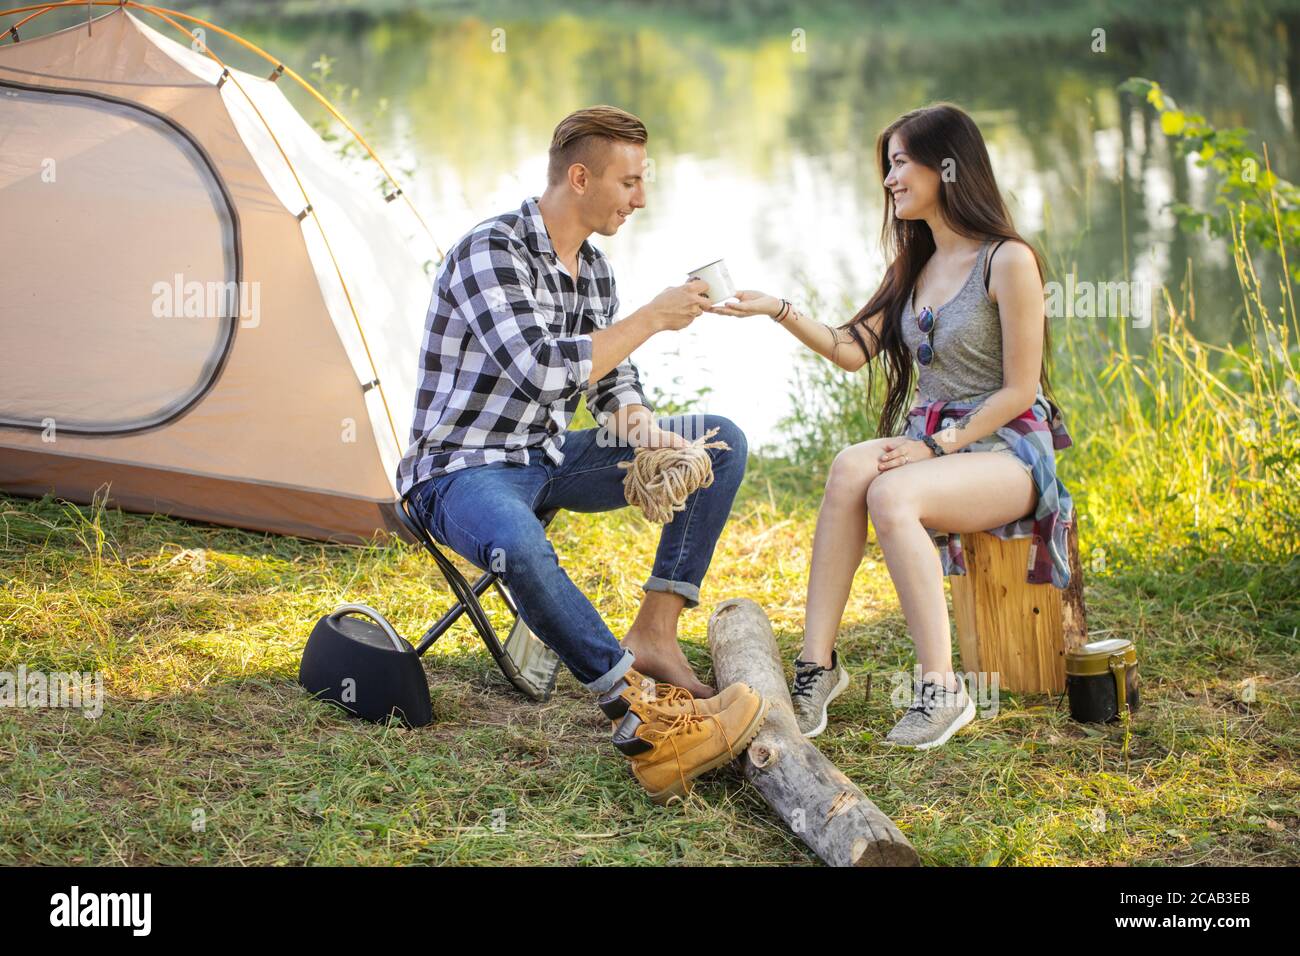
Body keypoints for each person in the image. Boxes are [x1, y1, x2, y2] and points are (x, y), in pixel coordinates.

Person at [395, 105, 767, 803]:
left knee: (720, 439)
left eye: (643, 180)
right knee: (520, 543)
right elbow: (540, 369)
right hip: (457, 471)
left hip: (542, 455)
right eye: (629, 182)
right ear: (579, 177)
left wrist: (648, 433)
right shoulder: (491, 253)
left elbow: (611, 387)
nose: (641, 198)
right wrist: (652, 318)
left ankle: (656, 633)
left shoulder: (593, 272)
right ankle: (640, 717)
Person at [713, 103, 1075, 750]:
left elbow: (1022, 389)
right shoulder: (913, 264)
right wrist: (777, 309)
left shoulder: (1008, 261)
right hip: (938, 448)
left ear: (947, 166)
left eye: (900, 163)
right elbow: (852, 349)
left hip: (1009, 452)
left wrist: (934, 445)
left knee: (891, 491)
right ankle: (817, 668)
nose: (889, 179)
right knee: (850, 467)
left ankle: (942, 688)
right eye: (888, 166)